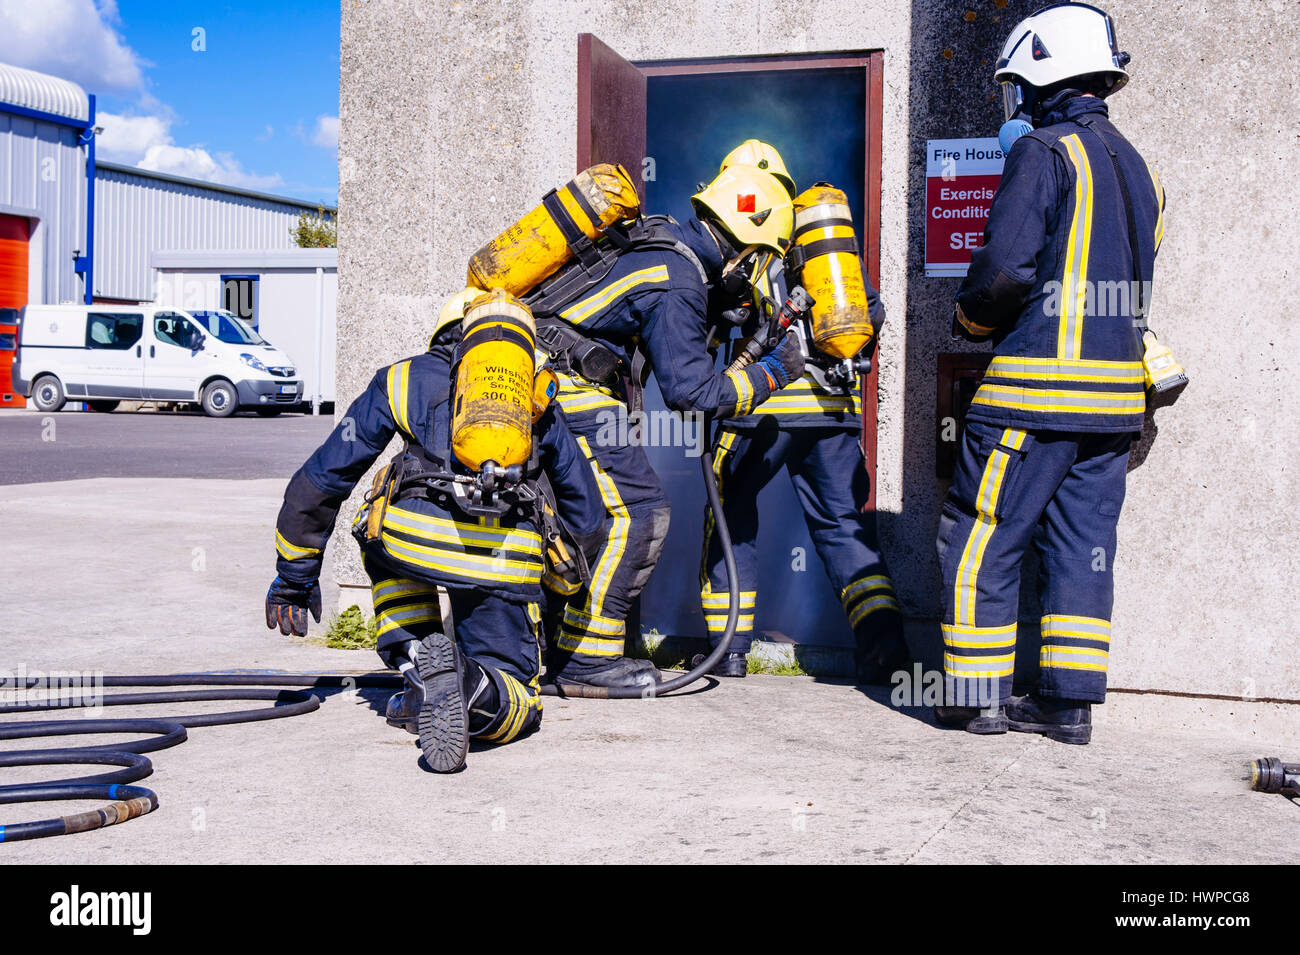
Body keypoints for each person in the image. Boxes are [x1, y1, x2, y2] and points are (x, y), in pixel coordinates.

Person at [933, 2, 1164, 744]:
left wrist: (970, 321)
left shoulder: (1044, 152)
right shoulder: (1139, 168)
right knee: (1080, 546)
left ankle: (974, 696)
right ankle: (1067, 706)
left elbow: (1002, 271)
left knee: (981, 534)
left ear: (1040, 74)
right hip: (1113, 406)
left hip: (1033, 395)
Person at [265, 290, 607, 772]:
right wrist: (558, 590)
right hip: (502, 562)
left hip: (409, 544)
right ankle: (470, 685)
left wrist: (294, 576)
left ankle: (417, 664)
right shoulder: (532, 399)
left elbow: (323, 478)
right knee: (518, 697)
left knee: (382, 545)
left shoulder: (401, 379)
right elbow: (588, 513)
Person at [534, 163, 806, 690]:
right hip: (562, 386)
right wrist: (774, 371)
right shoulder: (679, 278)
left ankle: (547, 651)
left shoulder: (663, 246)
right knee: (638, 512)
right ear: (745, 251)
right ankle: (587, 661)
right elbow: (692, 396)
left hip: (534, 377)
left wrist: (716, 316)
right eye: (758, 264)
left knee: (573, 524)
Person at [698, 140, 906, 682]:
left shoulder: (751, 235)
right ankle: (884, 645)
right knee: (842, 525)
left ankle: (730, 649)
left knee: (729, 516)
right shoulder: (827, 245)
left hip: (762, 409)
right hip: (833, 411)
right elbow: (871, 311)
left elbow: (719, 313)